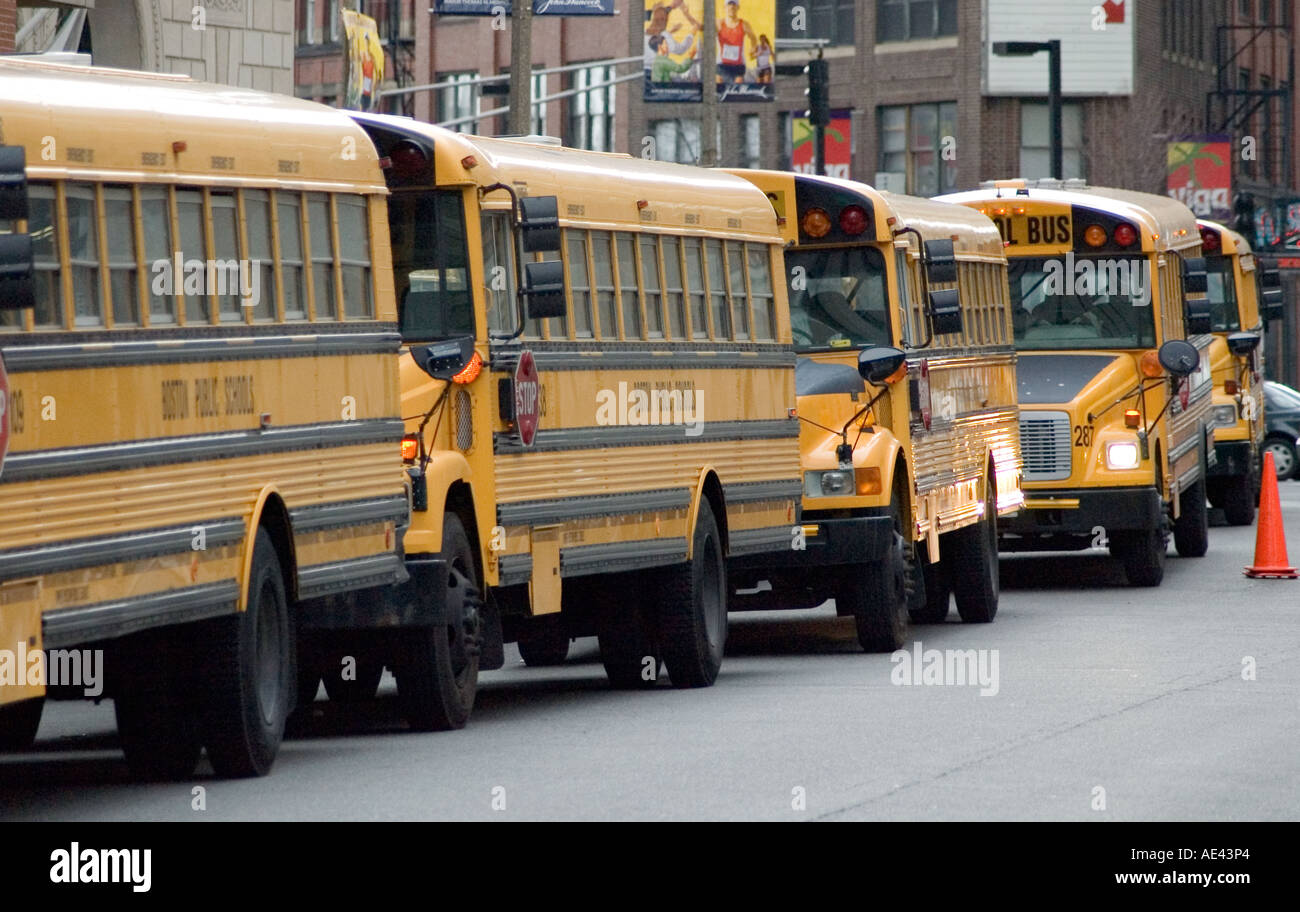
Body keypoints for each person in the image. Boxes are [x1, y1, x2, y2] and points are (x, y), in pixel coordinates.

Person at [644, 0, 700, 71]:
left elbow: (660, 17)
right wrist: (692, 33)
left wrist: (672, 6)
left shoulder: (645, 32)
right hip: (657, 73)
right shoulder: (665, 35)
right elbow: (680, 49)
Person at [717, 0, 757, 83]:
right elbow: (705, 30)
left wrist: (753, 48)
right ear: (725, 7)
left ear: (738, 7)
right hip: (722, 64)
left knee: (737, 88)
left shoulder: (744, 24)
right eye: (729, 5)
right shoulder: (719, 23)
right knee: (718, 86)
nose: (731, 7)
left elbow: (753, 37)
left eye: (734, 5)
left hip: (738, 64)